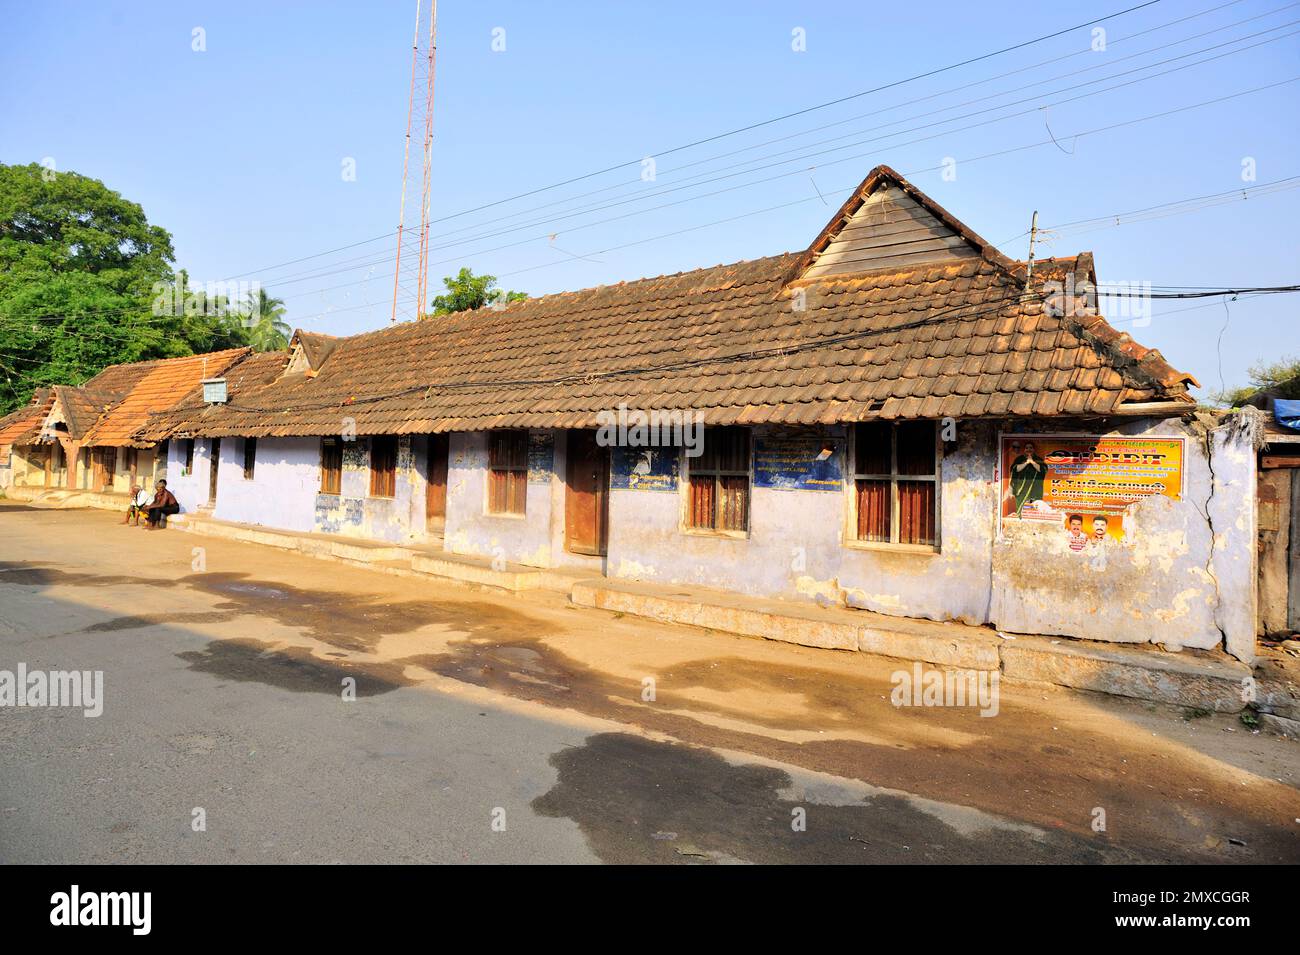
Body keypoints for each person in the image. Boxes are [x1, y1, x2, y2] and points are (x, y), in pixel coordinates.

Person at [1008, 441, 1046, 517]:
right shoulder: (1019, 459)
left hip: (1035, 490)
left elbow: (1043, 470)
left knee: (1034, 511)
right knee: (1021, 511)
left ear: (1034, 449)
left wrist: (1032, 462)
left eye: (1031, 448)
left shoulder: (1039, 460)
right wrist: (1026, 463)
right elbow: (1015, 469)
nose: (1029, 449)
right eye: (1027, 448)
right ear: (1024, 450)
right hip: (1021, 490)